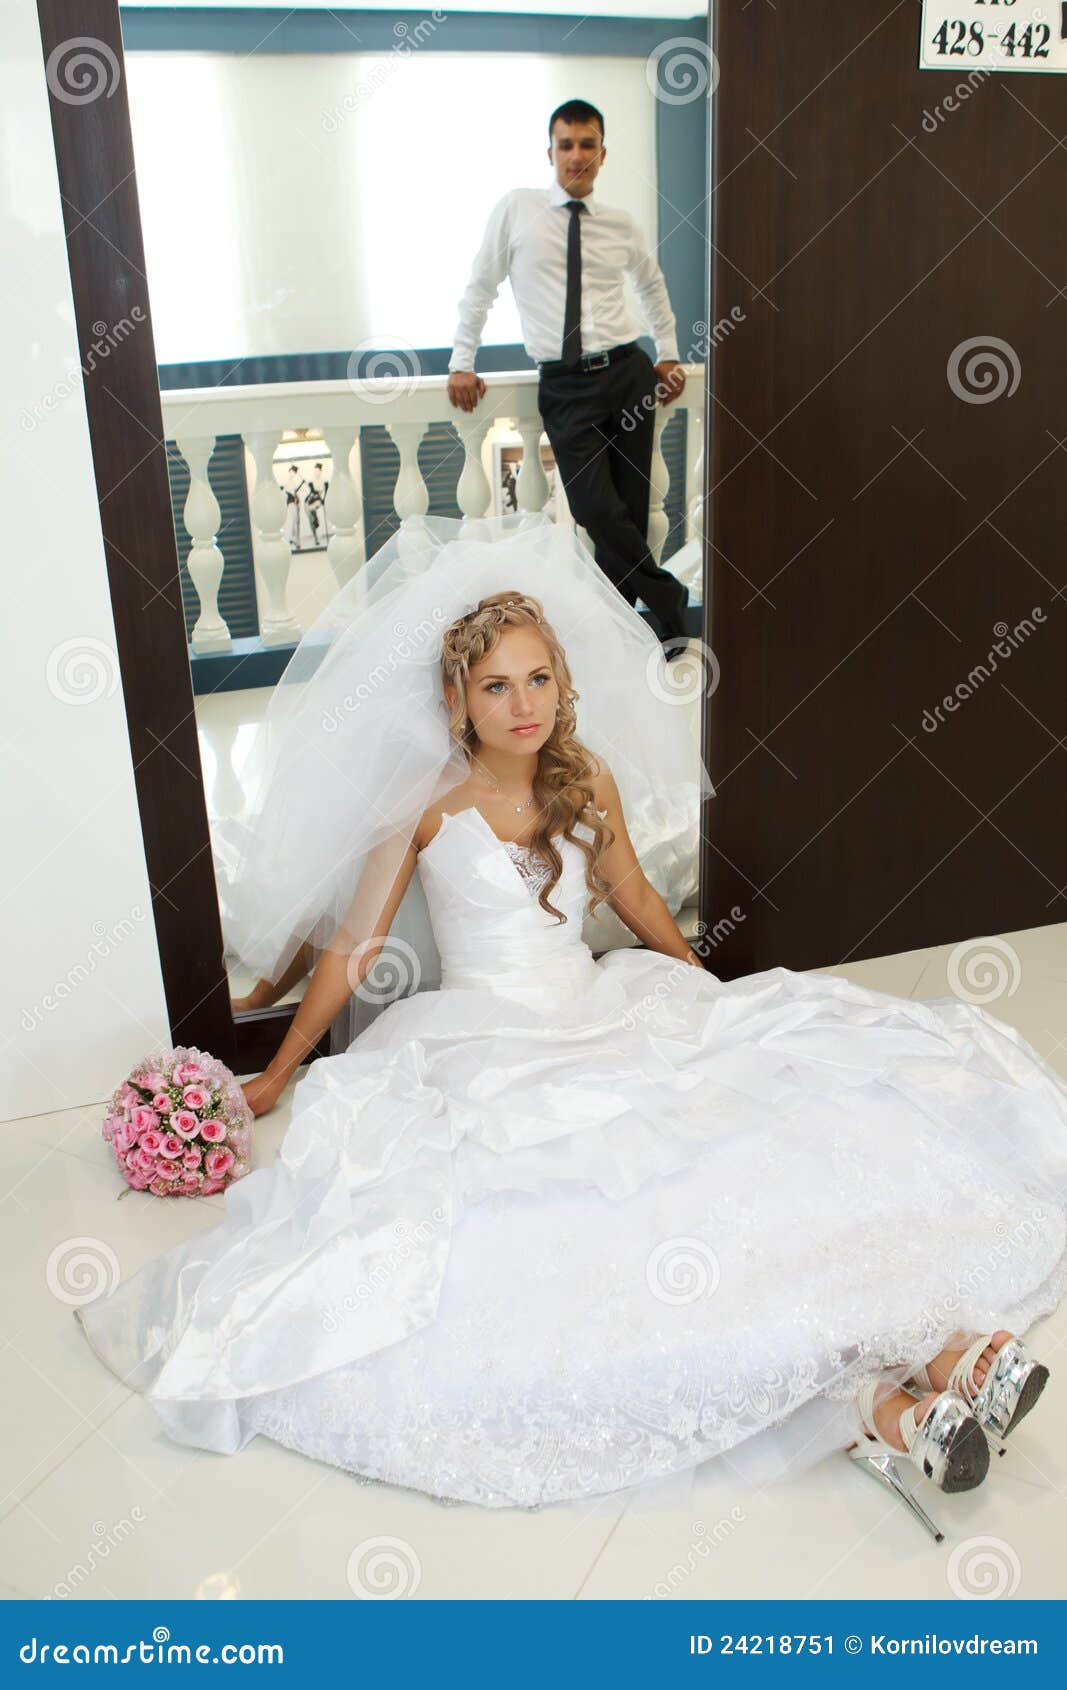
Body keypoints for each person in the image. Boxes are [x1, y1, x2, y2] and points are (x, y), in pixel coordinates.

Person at [73, 514, 1066, 1537]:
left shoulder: (583, 778)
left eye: (538, 679)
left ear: (564, 683)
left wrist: (701, 982)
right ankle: (886, 1404)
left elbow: (630, 890)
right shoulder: (424, 805)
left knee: (767, 1154)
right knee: (588, 1231)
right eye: (496, 685)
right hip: (483, 1035)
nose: (522, 705)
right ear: (454, 698)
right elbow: (355, 951)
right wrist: (278, 1069)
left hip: (599, 1002)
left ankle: (939, 1358)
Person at [447, 99, 691, 658]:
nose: (576, 155)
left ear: (603, 154)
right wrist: (463, 361)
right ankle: (668, 597)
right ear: (550, 152)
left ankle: (623, 633)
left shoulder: (620, 225)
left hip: (627, 373)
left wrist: (670, 353)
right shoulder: (517, 210)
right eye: (566, 144)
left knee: (627, 509)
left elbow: (652, 289)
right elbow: (480, 287)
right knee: (594, 509)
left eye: (587, 144)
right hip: (564, 384)